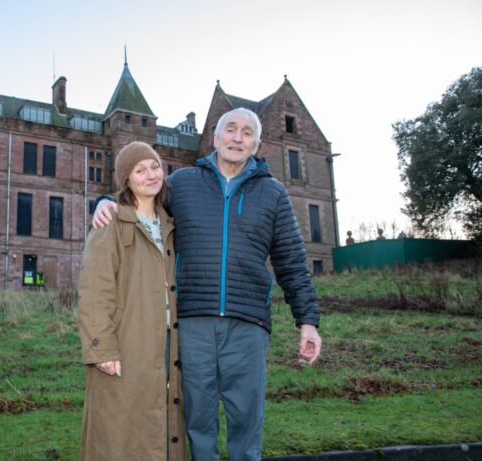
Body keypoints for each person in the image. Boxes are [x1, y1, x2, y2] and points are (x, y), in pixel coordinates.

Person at [92, 108, 322, 461]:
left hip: (248, 325)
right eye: (231, 130)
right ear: (215, 137)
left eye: (247, 133)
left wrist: (308, 322)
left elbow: (292, 262)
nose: (237, 138)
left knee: (247, 425)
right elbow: (140, 202)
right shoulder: (182, 183)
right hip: (192, 323)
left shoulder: (273, 194)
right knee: (197, 424)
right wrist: (104, 201)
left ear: (256, 144)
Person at [79, 141, 186, 461]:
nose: (151, 175)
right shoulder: (110, 219)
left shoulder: (170, 222)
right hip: (126, 341)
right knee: (122, 431)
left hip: (169, 341)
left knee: (163, 420)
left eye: (155, 166)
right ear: (126, 178)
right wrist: (101, 348)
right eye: (140, 170)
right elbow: (94, 288)